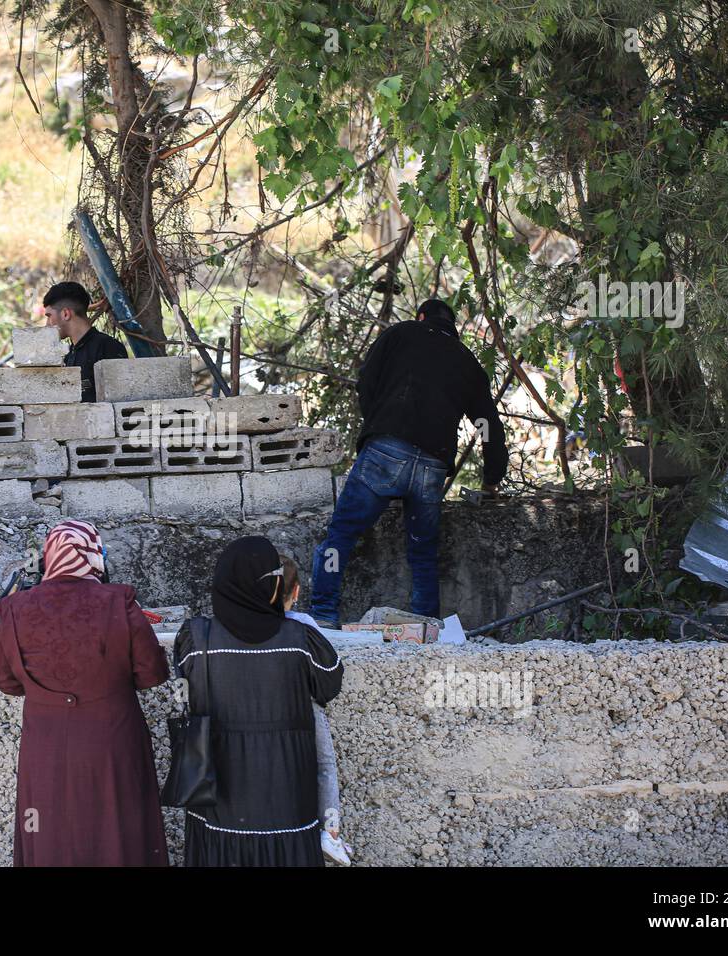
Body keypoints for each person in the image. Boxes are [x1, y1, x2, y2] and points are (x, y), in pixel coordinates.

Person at [309, 298, 508, 627]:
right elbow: (487, 425)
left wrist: (377, 426)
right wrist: (492, 477)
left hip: (385, 451)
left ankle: (325, 618)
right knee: (423, 553)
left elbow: (366, 381)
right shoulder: (467, 361)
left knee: (341, 536)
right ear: (453, 328)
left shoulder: (400, 334)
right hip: (432, 466)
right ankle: (425, 629)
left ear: (421, 316)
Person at [0, 519, 170, 866]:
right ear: (92, 554)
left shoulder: (14, 609)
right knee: (118, 828)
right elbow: (152, 673)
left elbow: (6, 681)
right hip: (113, 743)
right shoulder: (119, 601)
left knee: (48, 830)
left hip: (44, 746)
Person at [175, 536, 344, 867]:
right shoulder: (300, 640)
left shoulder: (196, 638)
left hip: (219, 798)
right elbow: (328, 685)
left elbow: (184, 695)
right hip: (287, 795)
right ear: (275, 586)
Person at [279, 553, 352, 866]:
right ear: (296, 592)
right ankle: (331, 833)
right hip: (305, 706)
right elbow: (327, 669)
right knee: (325, 765)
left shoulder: (243, 628)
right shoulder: (303, 623)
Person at [43, 281, 127, 402]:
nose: (47, 325)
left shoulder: (108, 348)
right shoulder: (68, 356)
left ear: (65, 314)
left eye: (49, 316)